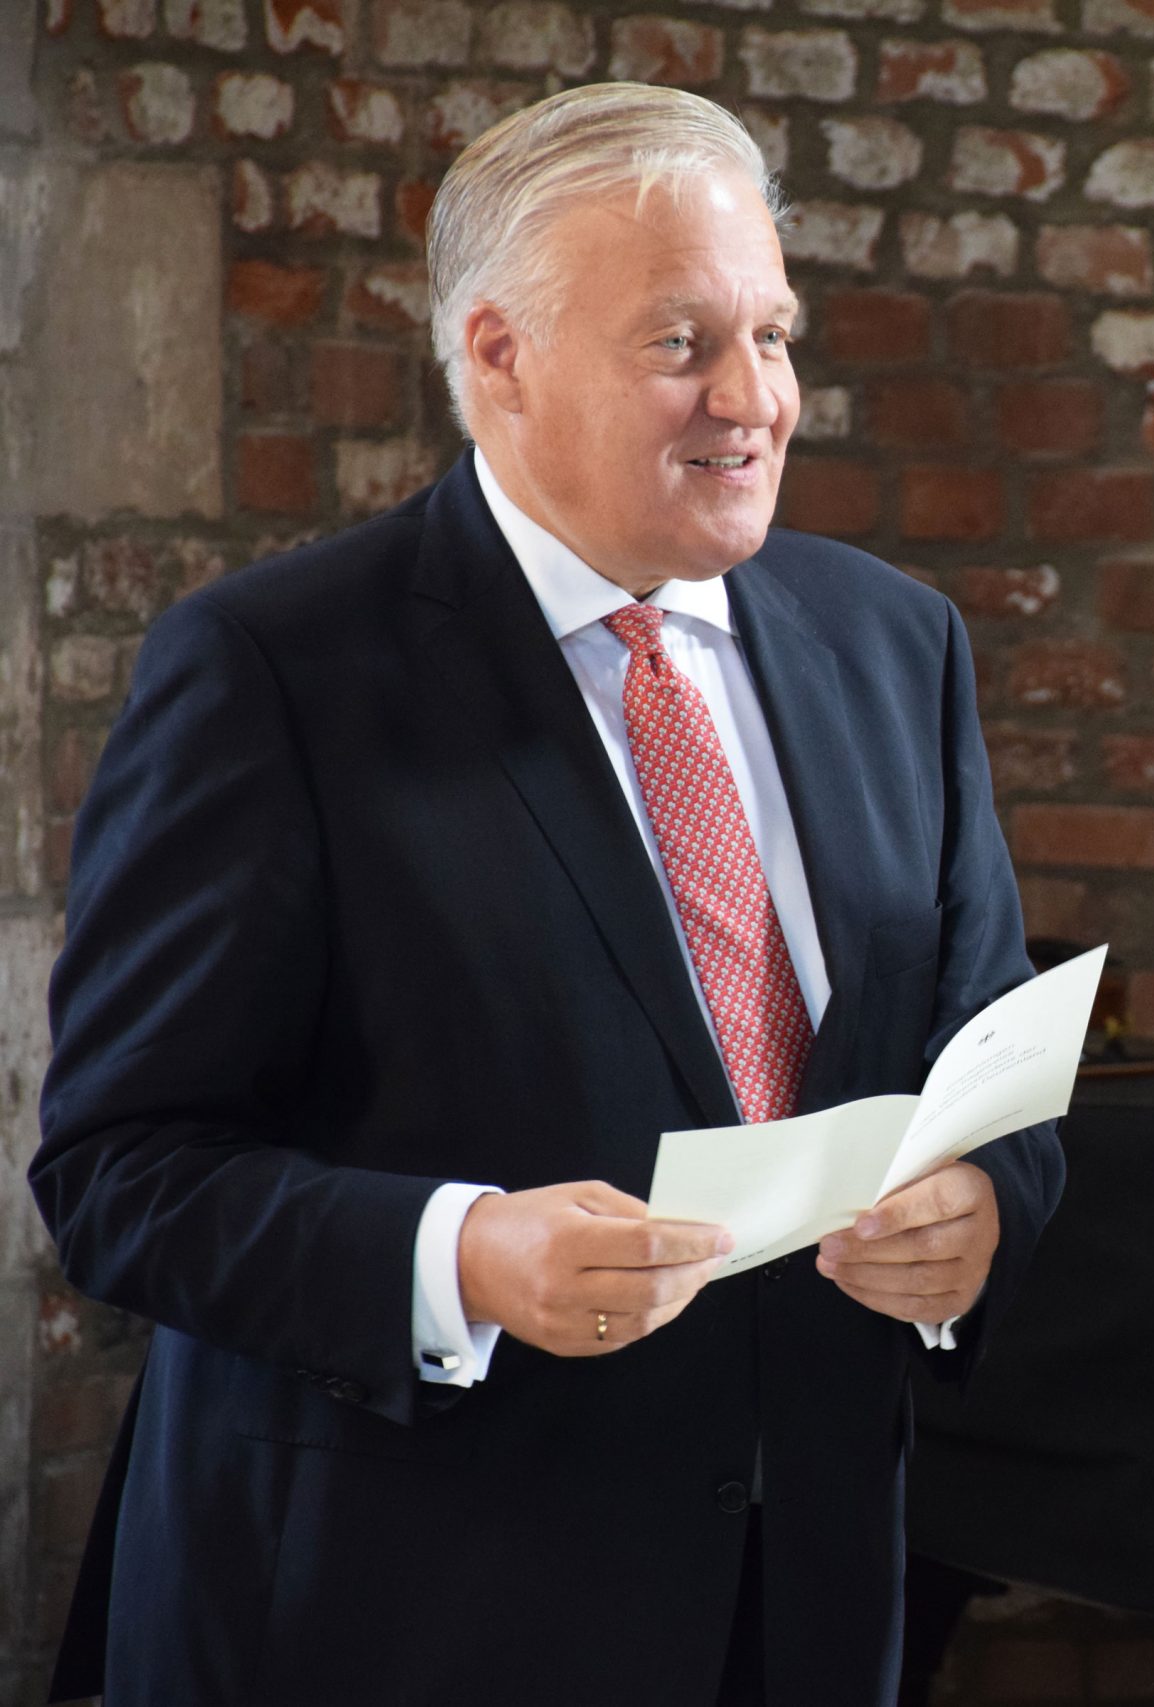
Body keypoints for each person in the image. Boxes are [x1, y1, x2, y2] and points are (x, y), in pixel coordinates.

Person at [29, 83, 1061, 1707]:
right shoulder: (271, 671)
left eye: (775, 336)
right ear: (498, 356)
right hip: (401, 1614)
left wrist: (986, 1210)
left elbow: (989, 1067)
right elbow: (119, 1172)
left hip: (807, 1606)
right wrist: (465, 1256)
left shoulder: (896, 643)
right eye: (683, 346)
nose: (757, 401)